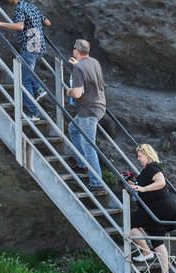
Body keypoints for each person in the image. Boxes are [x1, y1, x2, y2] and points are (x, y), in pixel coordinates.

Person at [127, 145, 176, 273]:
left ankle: (145, 252)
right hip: (162, 207)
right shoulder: (148, 170)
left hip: (158, 206)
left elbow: (161, 182)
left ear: (147, 155)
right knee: (157, 241)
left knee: (130, 222)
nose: (138, 159)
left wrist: (143, 188)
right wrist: (131, 182)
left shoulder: (152, 167)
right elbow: (143, 186)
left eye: (140, 156)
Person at [0, 2, 50, 119]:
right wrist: (34, 23)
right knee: (26, 72)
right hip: (40, 47)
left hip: (29, 47)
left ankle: (34, 113)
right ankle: (38, 88)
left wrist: (0, 23)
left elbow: (20, 26)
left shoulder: (19, 9)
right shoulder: (32, 7)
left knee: (23, 80)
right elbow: (47, 22)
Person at [64, 39, 108, 198]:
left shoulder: (78, 68)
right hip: (100, 105)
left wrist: (68, 91)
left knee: (88, 145)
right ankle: (82, 164)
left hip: (88, 110)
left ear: (76, 50)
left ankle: (97, 185)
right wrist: (77, 64)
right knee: (73, 129)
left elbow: (77, 93)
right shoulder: (94, 62)